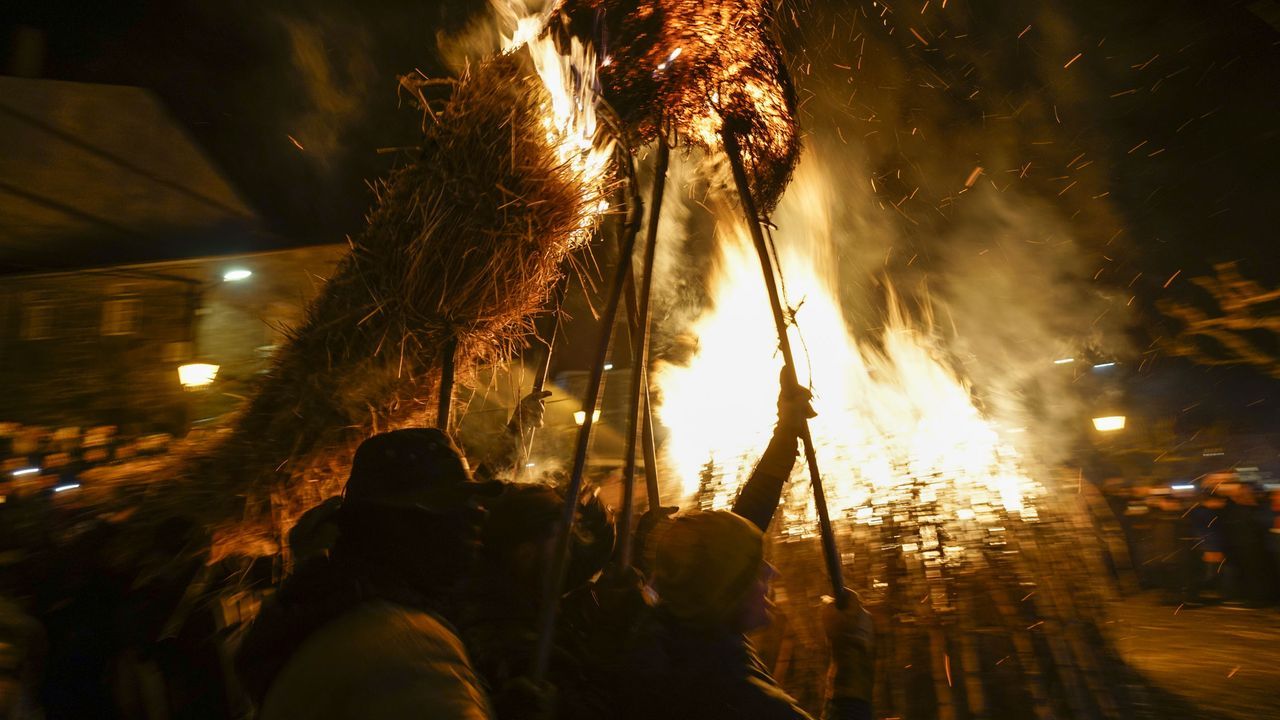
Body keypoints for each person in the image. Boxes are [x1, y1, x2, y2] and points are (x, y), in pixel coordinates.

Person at [620, 369, 875, 720]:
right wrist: (851, 653)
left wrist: (785, 433)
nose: (772, 570)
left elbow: (741, 529)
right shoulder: (739, 697)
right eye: (755, 569)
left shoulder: (678, 625)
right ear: (725, 590)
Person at [235, 428, 499, 720]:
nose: (479, 513)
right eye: (452, 502)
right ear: (394, 524)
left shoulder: (332, 608)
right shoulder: (410, 654)